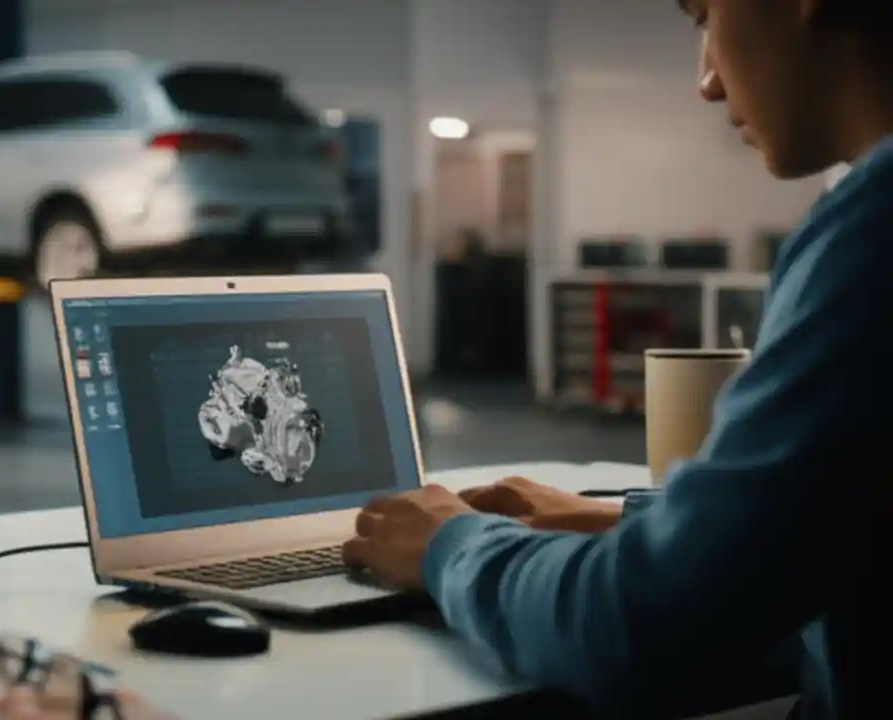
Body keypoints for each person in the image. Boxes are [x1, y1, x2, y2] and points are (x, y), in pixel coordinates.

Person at [342, 1, 893, 718]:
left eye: (704, 17)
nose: (708, 81)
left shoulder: (872, 233)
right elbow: (834, 531)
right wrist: (635, 523)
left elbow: (642, 627)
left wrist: (449, 545)